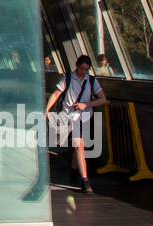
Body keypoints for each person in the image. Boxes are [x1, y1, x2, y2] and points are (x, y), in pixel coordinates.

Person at [44, 54, 108, 193]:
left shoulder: (91, 81)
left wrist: (87, 104)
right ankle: (80, 176)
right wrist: (47, 110)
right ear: (76, 66)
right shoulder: (68, 78)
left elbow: (103, 99)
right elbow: (56, 94)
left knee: (79, 147)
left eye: (86, 69)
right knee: (78, 146)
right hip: (68, 117)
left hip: (84, 117)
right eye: (81, 68)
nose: (83, 72)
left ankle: (79, 175)